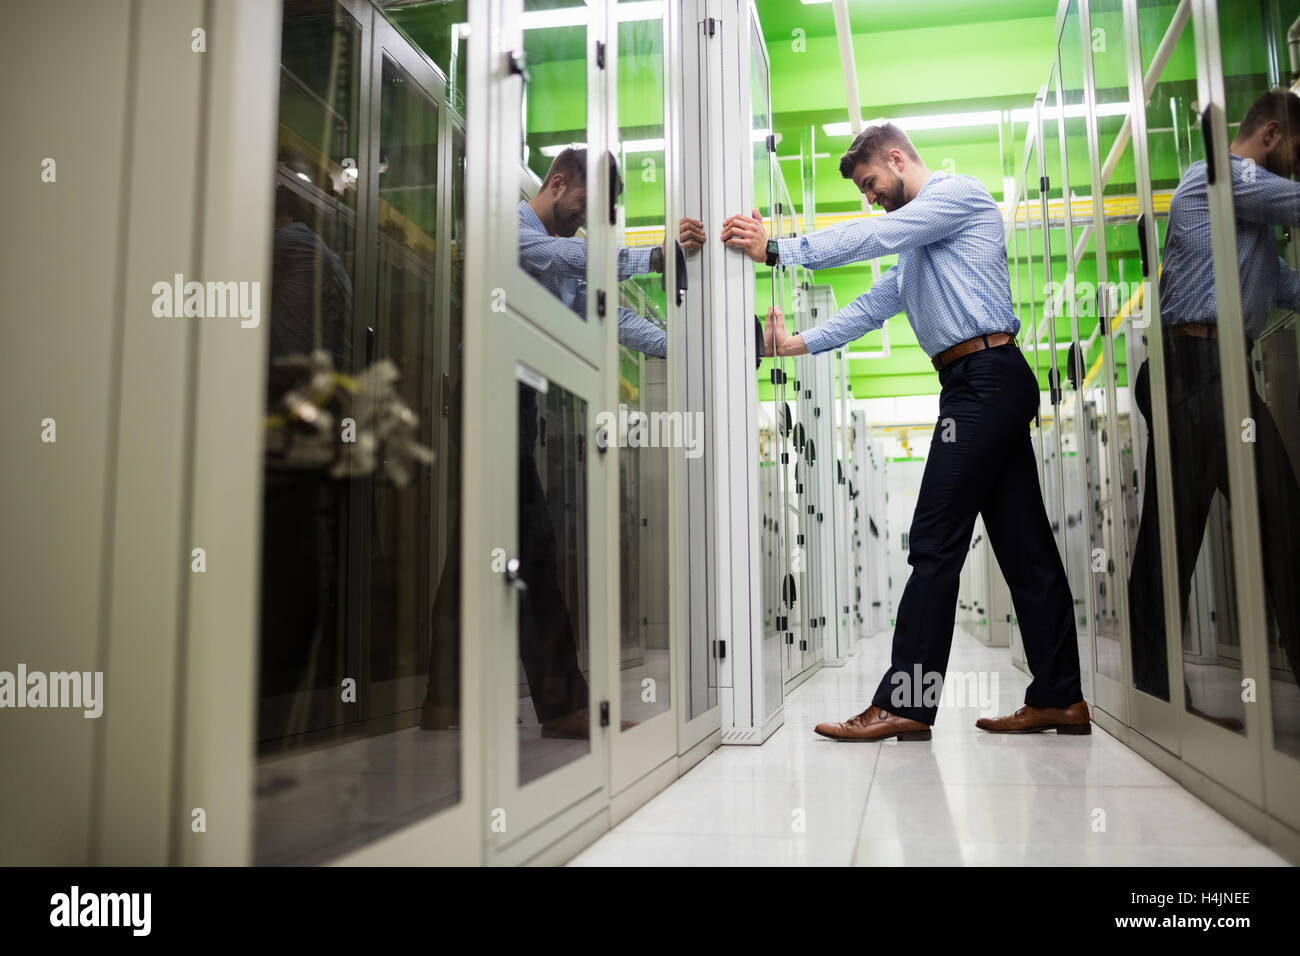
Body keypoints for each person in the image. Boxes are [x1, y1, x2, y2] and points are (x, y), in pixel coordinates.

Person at [722, 122, 1088, 740]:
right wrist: (793, 344)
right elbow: (870, 308)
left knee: (934, 539)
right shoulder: (924, 254)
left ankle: (907, 705)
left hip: (985, 379)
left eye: (871, 183)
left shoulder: (956, 197)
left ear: (897, 158)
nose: (871, 197)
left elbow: (878, 233)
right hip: (979, 384)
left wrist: (779, 248)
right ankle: (1060, 698)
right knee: (1026, 548)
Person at [420, 148, 704, 739]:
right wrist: (653, 255)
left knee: (473, 556)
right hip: (485, 397)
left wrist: (688, 345)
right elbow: (562, 255)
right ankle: (563, 705)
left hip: (513, 404)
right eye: (583, 206)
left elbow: (607, 317)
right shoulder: (513, 231)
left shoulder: (565, 257)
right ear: (556, 183)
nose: (584, 222)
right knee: (537, 550)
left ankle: (445, 702)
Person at [1127, 89, 1300, 723]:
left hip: (1225, 373)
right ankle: (1154, 689)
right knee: (1172, 536)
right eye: (1299, 152)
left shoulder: (1249, 222)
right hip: (1191, 370)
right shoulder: (1219, 179)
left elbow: (1284, 285)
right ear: (1272, 134)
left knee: (1282, 521)